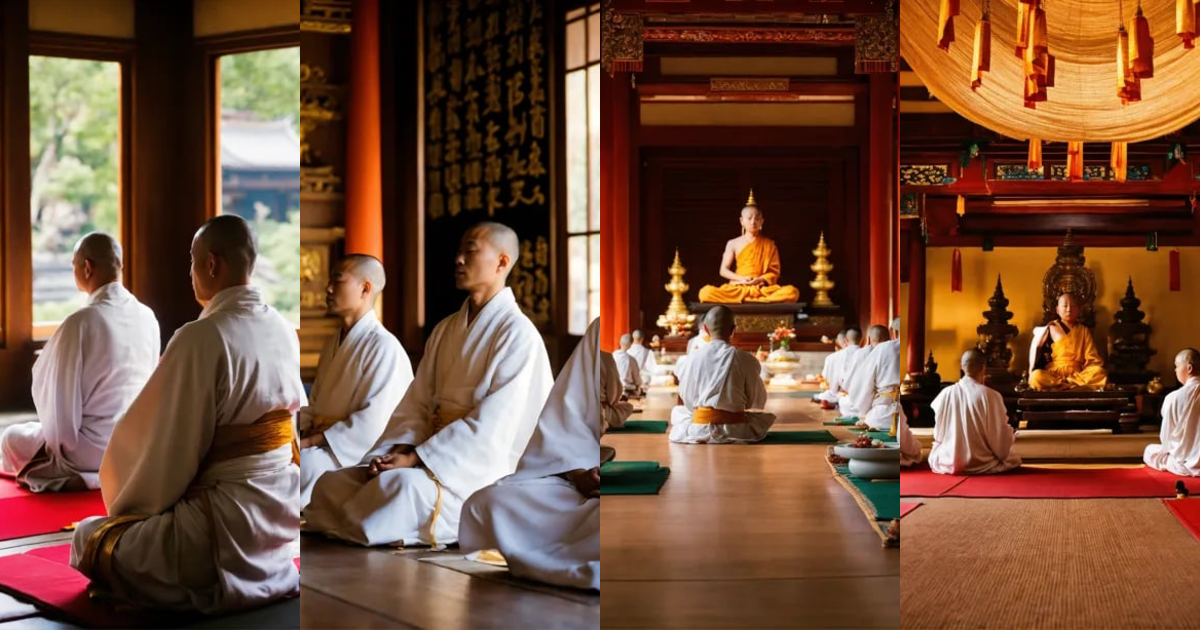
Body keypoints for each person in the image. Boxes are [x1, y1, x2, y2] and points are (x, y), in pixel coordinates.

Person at [70, 215, 306, 613]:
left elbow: (169, 448)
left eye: (192, 261)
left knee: (89, 537)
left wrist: (133, 501)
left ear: (211, 264)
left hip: (222, 523)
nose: (190, 272)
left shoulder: (202, 337)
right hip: (278, 517)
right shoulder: (283, 327)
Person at [303, 222, 554, 547]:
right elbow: (417, 404)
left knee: (398, 488)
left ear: (502, 263)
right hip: (426, 454)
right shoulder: (445, 330)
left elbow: (493, 427)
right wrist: (397, 450)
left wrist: (419, 458)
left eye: (470, 250)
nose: (459, 259)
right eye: (459, 251)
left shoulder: (519, 335)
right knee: (331, 483)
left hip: (469, 471)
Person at [0, 233, 160, 493]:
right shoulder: (148, 317)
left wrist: (61, 448)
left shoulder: (80, 323)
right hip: (135, 447)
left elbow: (61, 417)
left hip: (89, 450)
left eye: (73, 265)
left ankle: (85, 476)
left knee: (10, 438)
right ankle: (102, 476)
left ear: (87, 267)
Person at [458, 319, 604, 591]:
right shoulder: (601, 328)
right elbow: (568, 419)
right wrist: (580, 472)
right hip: (587, 478)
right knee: (488, 502)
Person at [297, 255, 412, 506]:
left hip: (351, 453)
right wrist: (299, 433)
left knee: (304, 465)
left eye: (337, 280)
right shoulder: (332, 344)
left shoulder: (384, 347)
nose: (327, 288)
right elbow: (314, 401)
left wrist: (311, 442)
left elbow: (374, 422)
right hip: (322, 445)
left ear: (365, 288)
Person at [669, 306, 775, 444]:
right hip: (736, 429)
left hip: (701, 428)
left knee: (679, 412)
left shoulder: (692, 358)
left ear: (706, 329)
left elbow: (687, 398)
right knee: (759, 418)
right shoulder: (746, 358)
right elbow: (756, 400)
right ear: (733, 330)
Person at [927, 350, 1020, 475]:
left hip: (949, 459)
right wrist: (1010, 433)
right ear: (983, 367)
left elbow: (939, 434)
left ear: (962, 367)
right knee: (1013, 458)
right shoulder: (991, 395)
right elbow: (1000, 441)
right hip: (982, 462)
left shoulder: (945, 394)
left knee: (935, 452)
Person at [698, 190, 800, 303]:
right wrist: (741, 279)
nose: (753, 222)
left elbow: (774, 272)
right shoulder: (733, 243)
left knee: (792, 292)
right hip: (738, 287)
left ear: (762, 221)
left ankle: (748, 300)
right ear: (742, 221)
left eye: (757, 218)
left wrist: (759, 279)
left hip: (761, 288)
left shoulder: (769, 244)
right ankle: (753, 300)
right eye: (749, 218)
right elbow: (723, 270)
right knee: (705, 293)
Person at [1028, 293, 1107, 391]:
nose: (1069, 309)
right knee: (1036, 376)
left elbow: (1092, 358)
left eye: (1073, 306)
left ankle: (1064, 386)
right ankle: (1070, 387)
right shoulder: (1049, 328)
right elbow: (1038, 357)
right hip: (1055, 374)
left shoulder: (1083, 330)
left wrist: (1089, 370)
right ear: (1057, 309)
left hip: (1078, 374)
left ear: (1078, 309)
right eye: (1065, 306)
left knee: (1100, 372)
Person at [1144, 349, 1200, 477]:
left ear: (1189, 368)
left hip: (1185, 463)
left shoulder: (1173, 398)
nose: (1175, 370)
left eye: (1177, 366)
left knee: (1149, 451)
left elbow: (1166, 440)